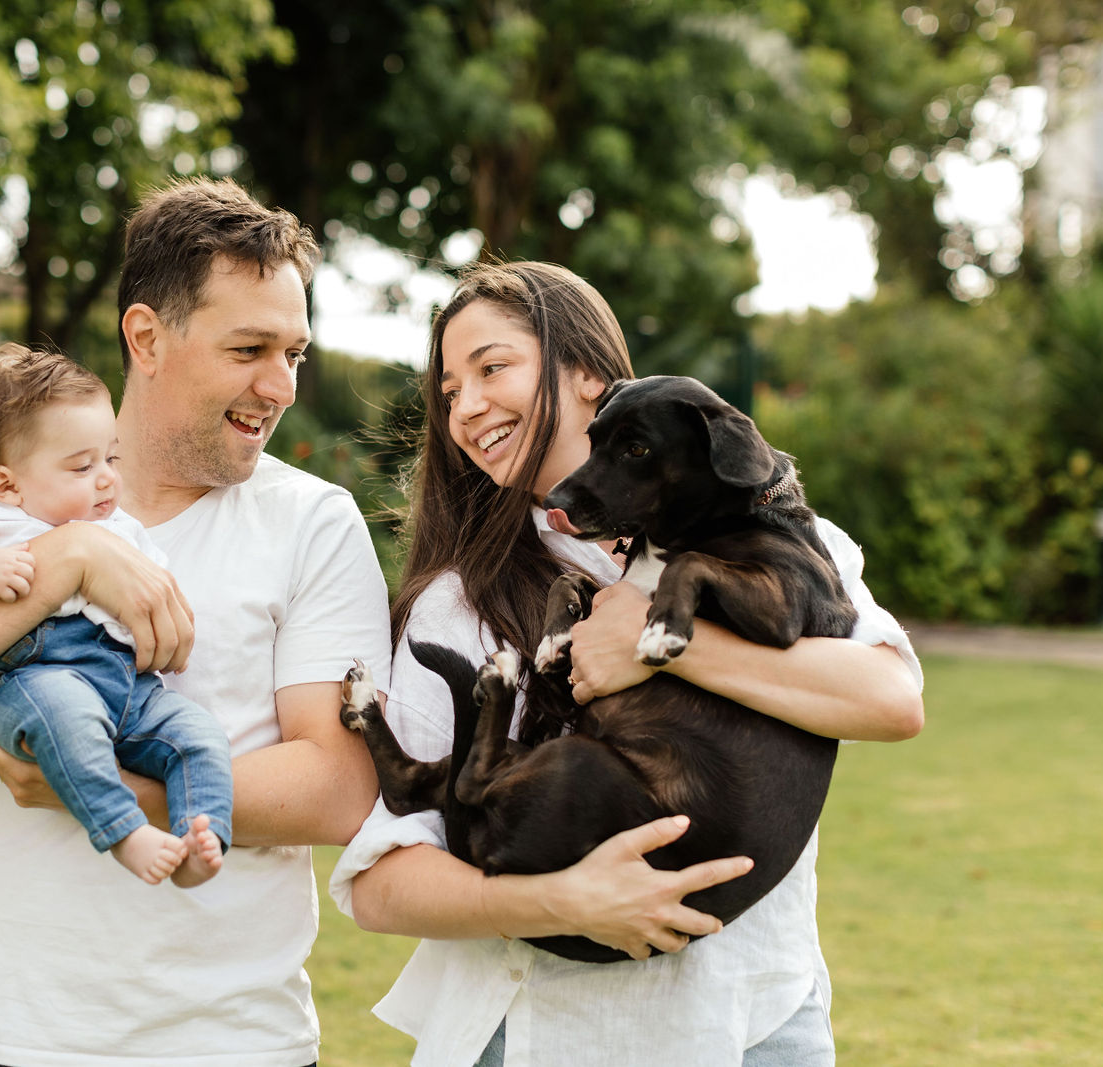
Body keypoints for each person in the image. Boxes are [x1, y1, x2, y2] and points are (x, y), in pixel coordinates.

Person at [0, 178, 392, 1067]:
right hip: (1, 1036)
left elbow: (338, 786)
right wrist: (70, 561)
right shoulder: (5, 486)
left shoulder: (313, 522)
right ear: (145, 336)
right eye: (250, 348)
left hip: (230, 1043)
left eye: (295, 352)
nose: (279, 385)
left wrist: (105, 793)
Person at [330, 261, 925, 1066]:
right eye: (447, 391)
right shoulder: (458, 602)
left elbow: (892, 702)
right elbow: (380, 881)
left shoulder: (784, 543)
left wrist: (662, 644)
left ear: (590, 378)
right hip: (545, 1037)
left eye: (492, 367)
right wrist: (559, 900)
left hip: (756, 1024)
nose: (466, 407)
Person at [0, 344, 230, 887]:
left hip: (128, 688)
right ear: (7, 483)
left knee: (198, 734)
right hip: (35, 677)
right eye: (82, 466)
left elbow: (155, 597)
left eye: (110, 458)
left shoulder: (118, 528)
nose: (107, 479)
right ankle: (125, 833)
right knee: (68, 718)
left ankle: (200, 836)